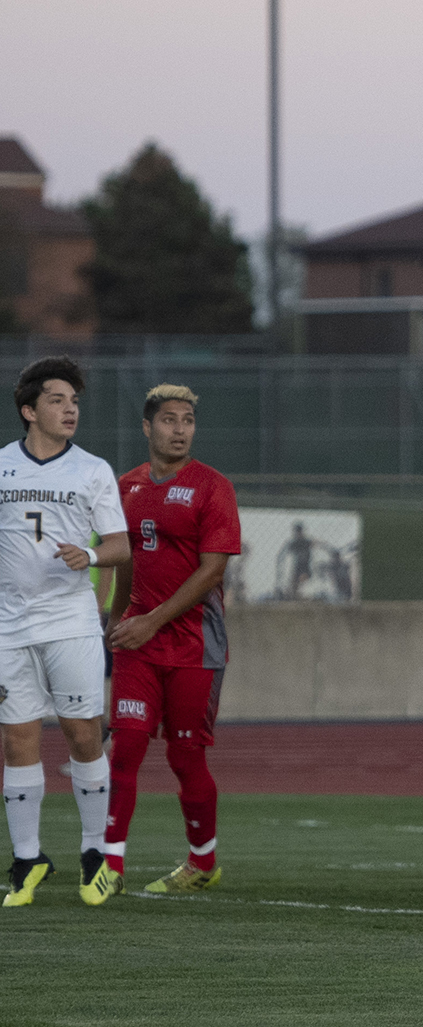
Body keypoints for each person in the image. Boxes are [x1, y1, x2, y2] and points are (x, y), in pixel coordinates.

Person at [102, 384, 243, 898]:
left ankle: (202, 862)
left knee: (186, 757)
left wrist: (151, 621)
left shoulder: (213, 487)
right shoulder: (124, 487)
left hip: (194, 644)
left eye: (187, 420)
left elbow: (213, 571)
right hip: (137, 640)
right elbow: (125, 566)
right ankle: (109, 865)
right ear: (147, 426)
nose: (179, 429)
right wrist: (113, 632)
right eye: (168, 419)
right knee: (127, 747)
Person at [0, 357, 130, 907]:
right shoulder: (2, 465)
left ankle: (95, 853)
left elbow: (122, 547)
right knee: (16, 740)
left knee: (82, 734)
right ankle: (28, 859)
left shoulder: (93, 470)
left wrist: (92, 554)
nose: (70, 408)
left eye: (74, 400)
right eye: (57, 400)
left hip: (71, 622)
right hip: (7, 627)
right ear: (29, 410)